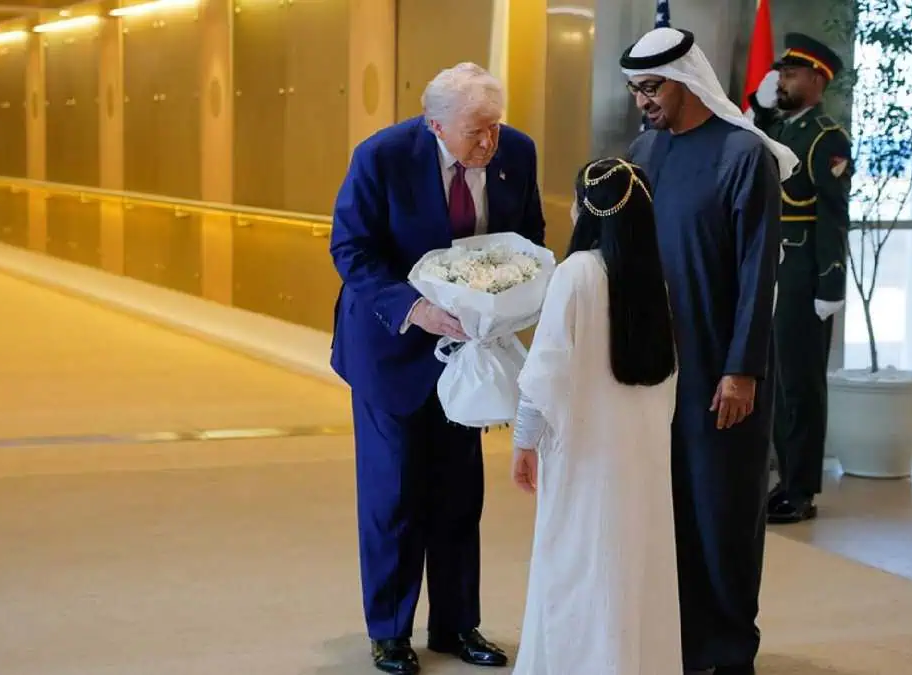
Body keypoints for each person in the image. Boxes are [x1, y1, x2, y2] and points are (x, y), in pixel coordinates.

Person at [329, 62, 546, 675]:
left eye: (495, 127)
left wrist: (511, 299)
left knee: (458, 492)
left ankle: (457, 625)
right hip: (390, 346)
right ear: (434, 126)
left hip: (473, 350)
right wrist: (414, 308)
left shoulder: (517, 153)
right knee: (393, 492)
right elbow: (351, 247)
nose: (489, 143)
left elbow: (526, 236)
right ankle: (390, 632)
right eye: (475, 132)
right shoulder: (381, 157)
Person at [619, 27, 795, 675]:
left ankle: (729, 650)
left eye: (652, 86)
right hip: (654, 368)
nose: (643, 101)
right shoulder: (644, 150)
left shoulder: (743, 154)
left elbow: (758, 274)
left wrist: (742, 368)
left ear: (687, 80)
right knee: (667, 508)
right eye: (636, 88)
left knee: (723, 509)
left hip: (724, 367)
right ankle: (681, 641)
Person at [509, 157, 682, 674]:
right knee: (634, 564)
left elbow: (545, 371)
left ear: (589, 209)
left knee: (577, 564)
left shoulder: (577, 273)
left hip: (584, 455)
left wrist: (523, 441)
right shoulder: (654, 282)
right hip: (642, 452)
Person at [748, 33, 853, 525]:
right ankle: (783, 479)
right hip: (774, 269)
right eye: (781, 73)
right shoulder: (785, 128)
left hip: (803, 274)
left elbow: (832, 215)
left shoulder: (825, 137)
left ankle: (800, 487)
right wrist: (759, 105)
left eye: (791, 74)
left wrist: (830, 284)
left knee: (800, 383)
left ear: (817, 79)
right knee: (773, 376)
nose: (782, 81)